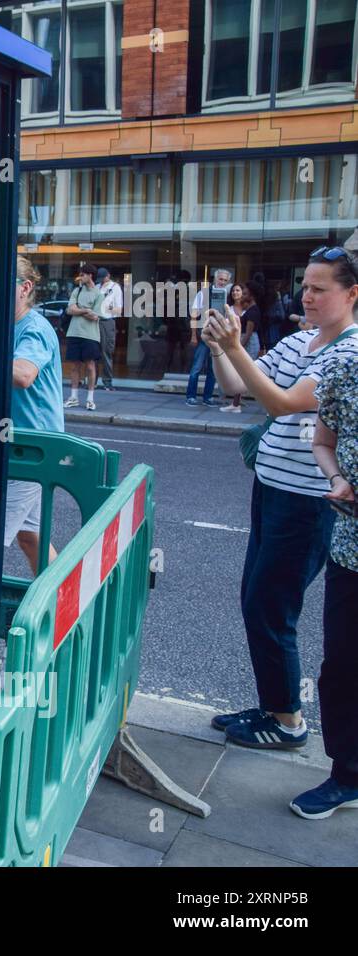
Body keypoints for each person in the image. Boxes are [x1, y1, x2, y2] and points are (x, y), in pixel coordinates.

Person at [203, 246, 358, 751]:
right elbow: (238, 386)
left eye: (319, 289)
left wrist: (238, 348)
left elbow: (282, 401)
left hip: (308, 501)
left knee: (272, 606)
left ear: (351, 294)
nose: (306, 297)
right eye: (305, 287)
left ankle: (288, 720)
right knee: (256, 599)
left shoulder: (348, 354)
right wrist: (218, 346)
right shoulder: (299, 341)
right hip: (271, 486)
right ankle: (274, 704)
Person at [301, 347, 358, 818]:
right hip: (351, 549)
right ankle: (348, 775)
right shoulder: (346, 369)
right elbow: (323, 442)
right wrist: (337, 477)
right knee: (342, 666)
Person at [8, 257, 64, 573]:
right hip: (22, 445)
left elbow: (24, 374)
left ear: (25, 288)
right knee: (31, 537)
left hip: (33, 450)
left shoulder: (35, 329)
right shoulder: (10, 325)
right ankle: (61, 606)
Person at [186, 268, 231, 407]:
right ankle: (191, 396)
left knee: (214, 369)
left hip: (219, 337)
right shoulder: (203, 293)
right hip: (205, 335)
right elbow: (194, 314)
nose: (222, 282)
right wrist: (193, 335)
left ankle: (208, 397)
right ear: (215, 279)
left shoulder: (228, 295)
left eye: (225, 280)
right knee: (197, 367)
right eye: (220, 279)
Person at [63, 263, 103, 411]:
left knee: (90, 366)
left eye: (83, 275)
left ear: (90, 275)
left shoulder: (99, 294)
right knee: (74, 366)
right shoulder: (77, 290)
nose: (81, 277)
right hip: (74, 333)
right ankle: (73, 397)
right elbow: (69, 309)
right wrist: (86, 310)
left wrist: (79, 309)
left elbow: (95, 316)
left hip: (91, 335)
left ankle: (90, 399)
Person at [220, 280, 264, 413]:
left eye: (245, 293)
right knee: (243, 371)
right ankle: (236, 403)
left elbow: (249, 333)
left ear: (252, 295)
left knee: (243, 371)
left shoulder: (253, 311)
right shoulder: (251, 309)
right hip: (248, 339)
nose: (242, 295)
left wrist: (238, 346)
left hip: (249, 341)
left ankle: (236, 404)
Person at [95, 266, 122, 391]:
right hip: (95, 321)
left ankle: (107, 381)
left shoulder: (115, 288)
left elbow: (119, 309)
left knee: (106, 352)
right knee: (94, 353)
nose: (102, 281)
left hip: (107, 321)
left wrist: (106, 308)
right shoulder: (96, 287)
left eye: (103, 278)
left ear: (108, 276)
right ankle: (92, 381)